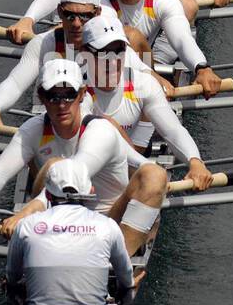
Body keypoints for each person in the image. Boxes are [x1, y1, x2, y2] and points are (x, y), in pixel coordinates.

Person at [0, 59, 167, 257]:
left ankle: (119, 260)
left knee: (154, 175)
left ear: (82, 94)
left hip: (109, 219)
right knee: (54, 165)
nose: (62, 104)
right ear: (41, 97)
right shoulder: (32, 130)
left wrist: (25, 213)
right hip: (58, 221)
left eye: (69, 94)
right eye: (53, 96)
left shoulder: (100, 131)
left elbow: (73, 174)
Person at [79, 17, 215, 194]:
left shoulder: (142, 83)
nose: (112, 62)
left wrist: (195, 161)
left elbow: (172, 130)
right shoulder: (73, 91)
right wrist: (149, 168)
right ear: (84, 53)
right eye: (103, 53)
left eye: (119, 51)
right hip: (85, 176)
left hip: (125, 171)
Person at [0, 0, 114, 136]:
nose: (76, 23)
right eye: (69, 15)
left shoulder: (114, 45)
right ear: (60, 12)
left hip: (99, 126)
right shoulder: (43, 43)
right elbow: (15, 83)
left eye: (85, 16)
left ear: (97, 13)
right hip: (56, 123)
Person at [4, 159, 136, 305]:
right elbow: (126, 279)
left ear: (47, 194)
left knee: (12, 286)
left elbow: (12, 277)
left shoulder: (25, 225)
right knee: (128, 289)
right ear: (90, 191)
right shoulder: (108, 226)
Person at [98, 0, 222, 98]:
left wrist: (202, 68)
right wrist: (153, 77)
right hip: (102, 69)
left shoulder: (164, 0)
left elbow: (182, 38)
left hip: (139, 63)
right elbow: (114, 45)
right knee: (130, 37)